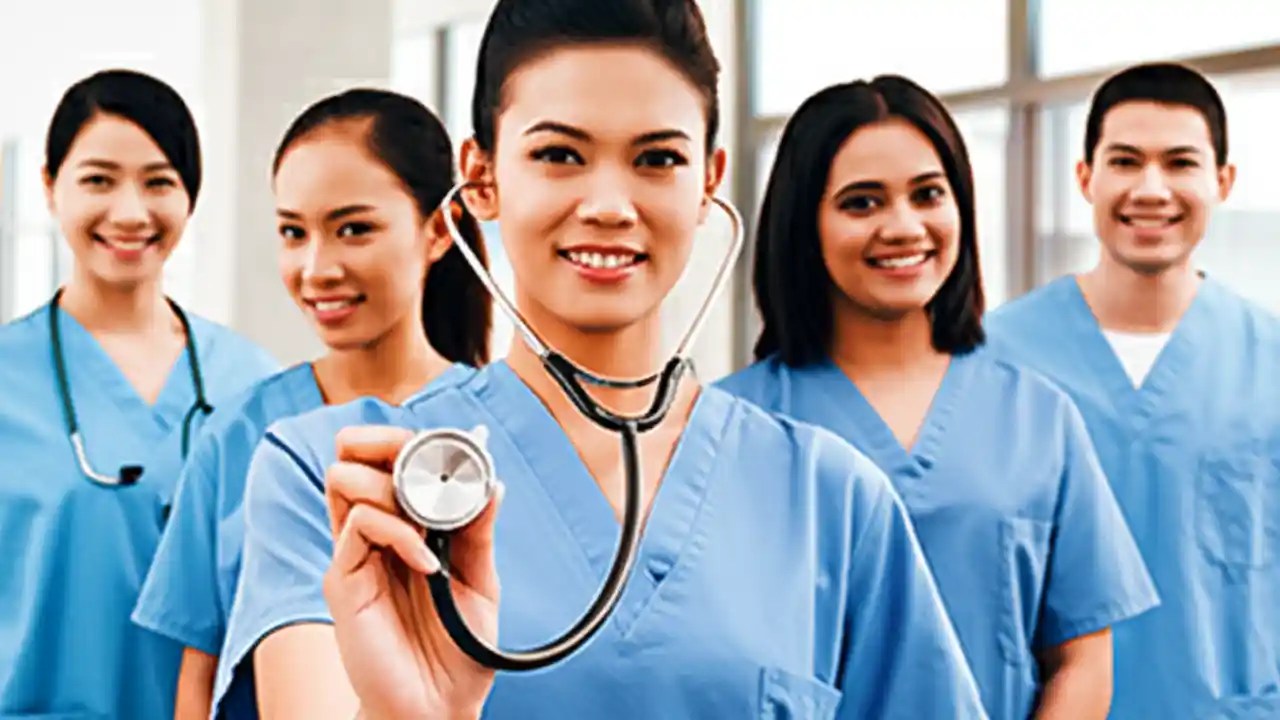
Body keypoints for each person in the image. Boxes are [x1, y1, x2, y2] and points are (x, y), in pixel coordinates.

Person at [221, 1, 990, 718]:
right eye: (559, 154)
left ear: (709, 183)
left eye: (656, 159)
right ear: (482, 177)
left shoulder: (832, 499)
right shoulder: (341, 478)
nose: (611, 204)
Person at [714, 75, 1160, 719]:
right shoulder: (732, 428)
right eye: (862, 203)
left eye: (928, 194)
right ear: (802, 222)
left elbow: (1080, 657)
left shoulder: (1036, 417)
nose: (904, 226)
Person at [128, 89, 493, 720]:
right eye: (294, 232)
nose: (316, 268)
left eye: (354, 229)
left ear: (439, 230)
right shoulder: (239, 436)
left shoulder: (496, 430)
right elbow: (198, 681)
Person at [985, 62, 1280, 719]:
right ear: (1085, 177)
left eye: (1180, 163)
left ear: (1222, 181)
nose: (1152, 189)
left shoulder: (1270, 362)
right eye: (1125, 161)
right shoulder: (993, 359)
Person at [0, 69, 279, 719]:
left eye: (159, 182)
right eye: (98, 179)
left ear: (190, 198)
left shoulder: (251, 385)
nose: (130, 212)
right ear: (49, 186)